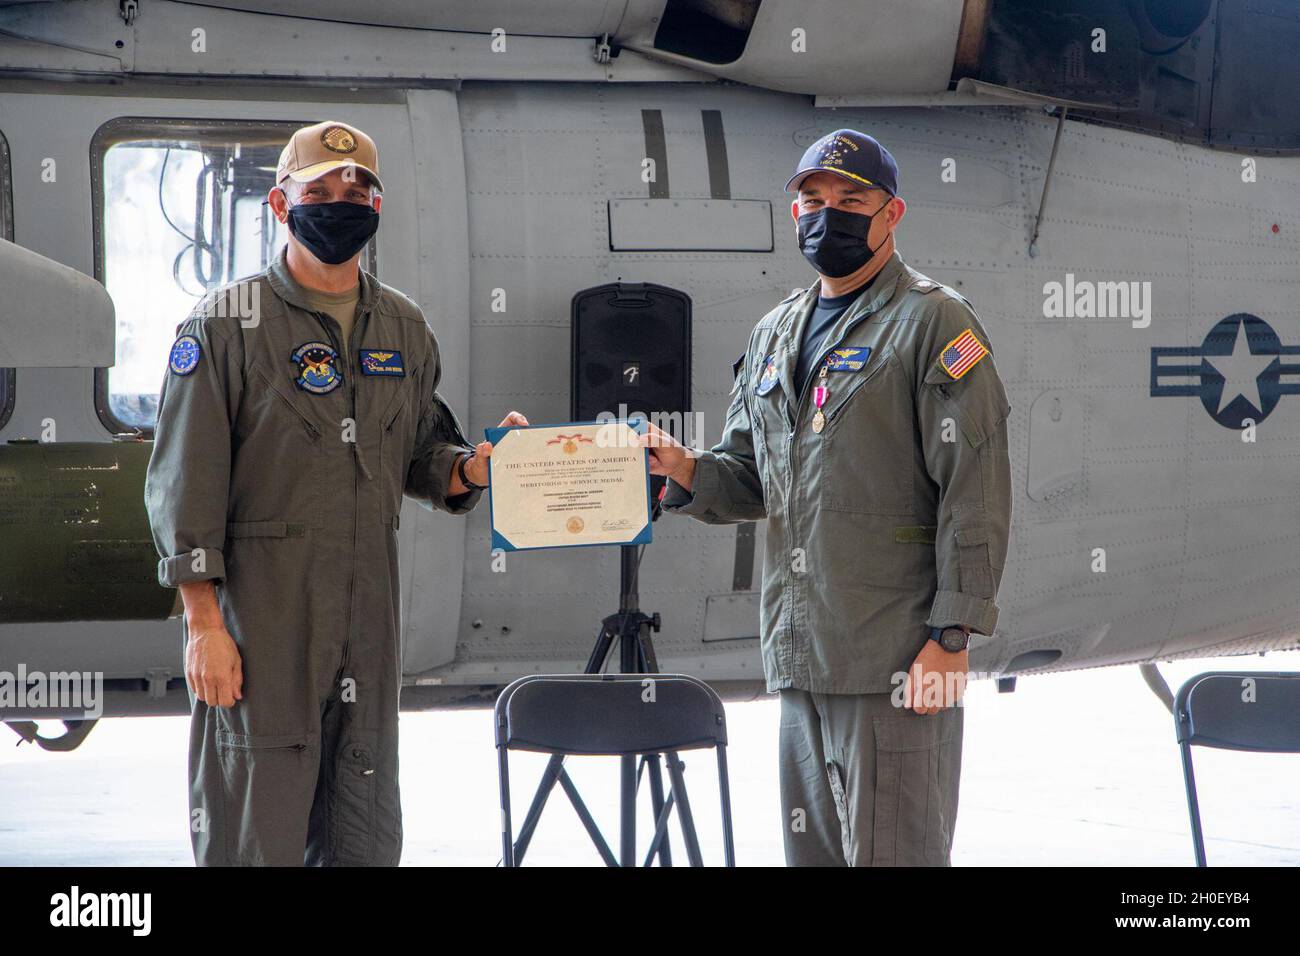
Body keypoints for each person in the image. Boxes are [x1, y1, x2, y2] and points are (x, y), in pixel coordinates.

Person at [145, 119, 527, 865]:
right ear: (280, 208)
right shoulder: (226, 326)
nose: (339, 200)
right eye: (317, 190)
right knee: (260, 810)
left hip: (367, 609)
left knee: (363, 808)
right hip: (263, 612)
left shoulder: (404, 328)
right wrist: (202, 624)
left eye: (356, 188)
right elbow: (183, 481)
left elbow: (422, 455)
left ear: (376, 207)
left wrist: (475, 467)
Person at [640, 129, 1012, 866]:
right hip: (800, 654)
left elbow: (975, 487)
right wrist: (685, 470)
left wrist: (952, 638)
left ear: (892, 212)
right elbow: (751, 478)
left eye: (851, 200)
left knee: (896, 854)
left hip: (898, 657)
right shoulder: (777, 332)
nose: (827, 215)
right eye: (813, 200)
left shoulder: (934, 321)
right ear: (793, 211)